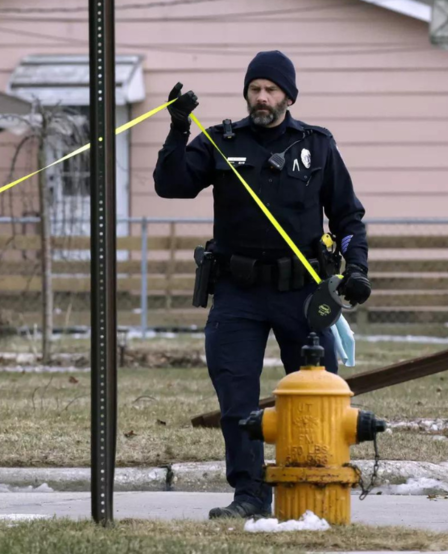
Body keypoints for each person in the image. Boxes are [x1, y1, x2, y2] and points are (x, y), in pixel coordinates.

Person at [153, 50, 373, 520]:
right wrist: (177, 128)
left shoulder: (317, 146)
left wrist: (356, 268)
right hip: (238, 292)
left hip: (302, 294)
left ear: (288, 97)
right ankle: (250, 495)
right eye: (255, 89)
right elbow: (171, 185)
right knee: (236, 397)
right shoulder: (220, 141)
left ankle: (316, 485)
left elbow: (348, 214)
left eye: (271, 90)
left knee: (318, 396)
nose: (262, 97)